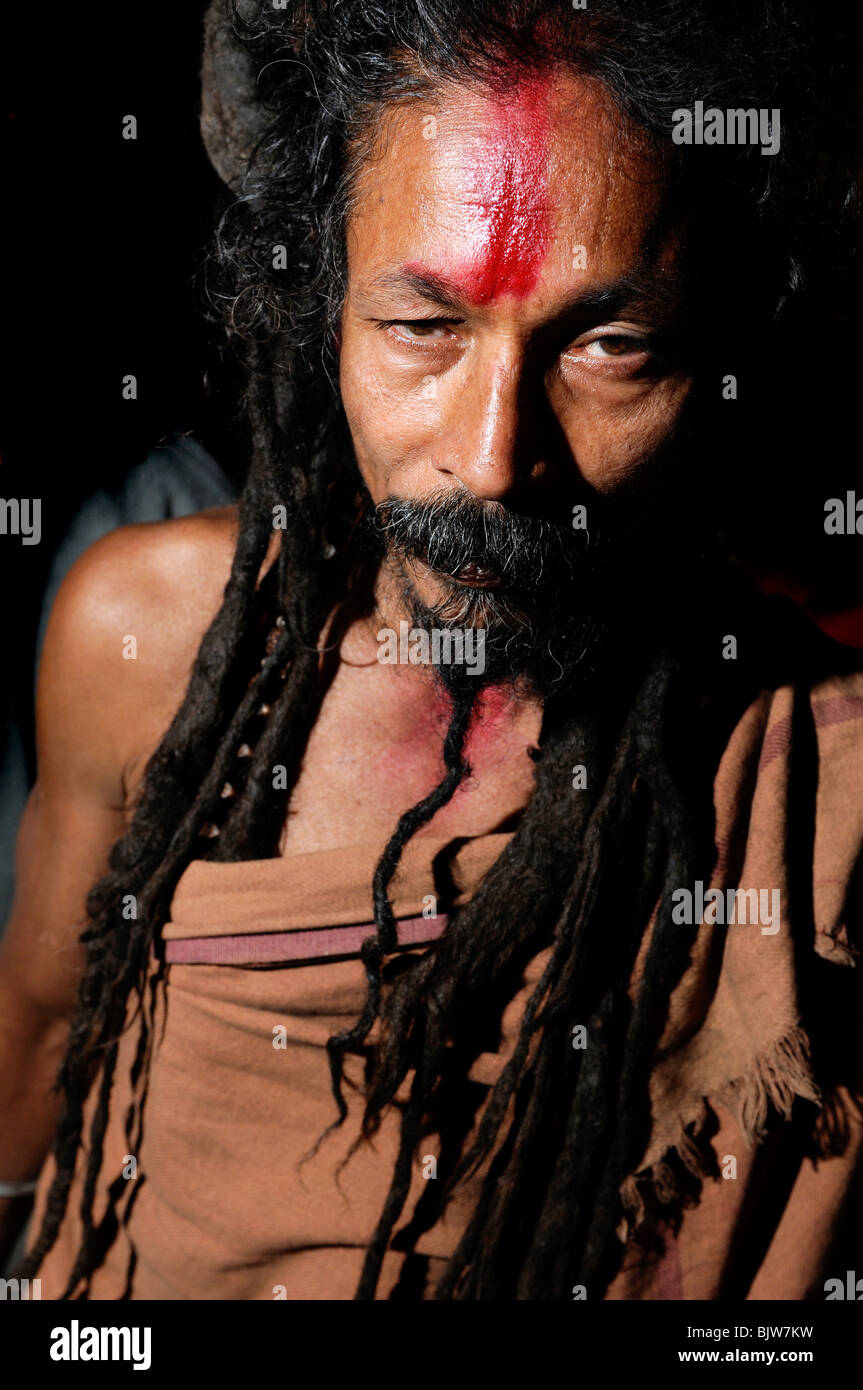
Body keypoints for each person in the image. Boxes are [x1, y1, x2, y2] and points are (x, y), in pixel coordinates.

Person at [0, 0, 860, 1301]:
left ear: (724, 341)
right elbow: (43, 1035)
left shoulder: (825, 768)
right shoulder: (148, 641)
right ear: (322, 304)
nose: (496, 457)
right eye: (423, 328)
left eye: (611, 345)